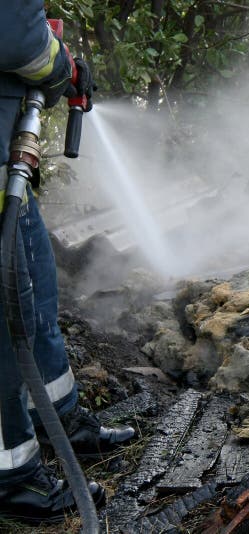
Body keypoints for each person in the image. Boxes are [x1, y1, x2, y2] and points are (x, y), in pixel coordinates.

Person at [0, 1, 136, 523]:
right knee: (5, 316)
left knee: (36, 291)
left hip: (6, 163)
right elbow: (16, 37)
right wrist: (60, 64)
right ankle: (12, 476)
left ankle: (59, 422)